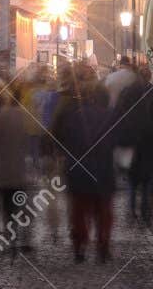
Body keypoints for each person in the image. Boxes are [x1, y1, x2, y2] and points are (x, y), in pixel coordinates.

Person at [51, 79, 119, 261]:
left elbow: (60, 139)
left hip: (78, 170)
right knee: (103, 212)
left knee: (79, 212)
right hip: (103, 170)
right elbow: (117, 140)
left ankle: (79, 248)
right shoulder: (109, 116)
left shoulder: (72, 116)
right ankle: (103, 246)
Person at [114, 65, 153, 225]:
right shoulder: (151, 91)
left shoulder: (126, 91)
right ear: (148, 77)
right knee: (149, 176)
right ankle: (146, 211)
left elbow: (117, 113)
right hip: (148, 138)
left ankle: (131, 209)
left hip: (130, 138)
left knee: (132, 175)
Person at [0, 84, 35, 255]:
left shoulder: (1, 115)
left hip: (4, 170)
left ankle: (10, 240)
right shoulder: (24, 115)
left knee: (7, 208)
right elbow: (29, 141)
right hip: (20, 170)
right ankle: (26, 240)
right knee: (23, 206)